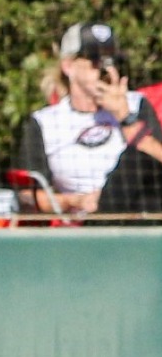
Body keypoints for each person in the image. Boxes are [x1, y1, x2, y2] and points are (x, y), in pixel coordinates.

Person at [15, 21, 162, 216]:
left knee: (137, 155)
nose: (105, 67)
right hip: (85, 216)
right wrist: (76, 200)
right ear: (68, 66)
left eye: (110, 59)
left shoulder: (136, 104)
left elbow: (157, 156)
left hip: (138, 208)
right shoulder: (46, 122)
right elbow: (27, 195)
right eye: (94, 59)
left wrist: (124, 117)